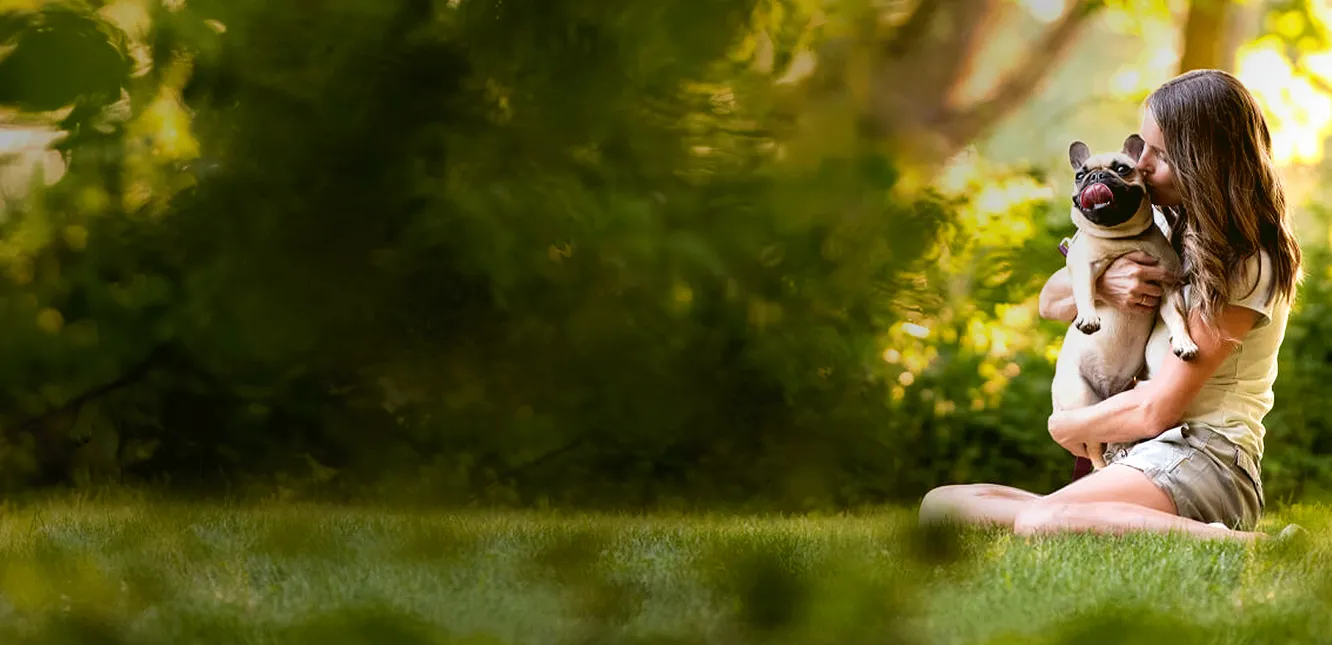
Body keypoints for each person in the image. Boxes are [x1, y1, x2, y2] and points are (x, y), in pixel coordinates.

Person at [917, 69, 1304, 542]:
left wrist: (1067, 424)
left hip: (1207, 458)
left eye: (1158, 156)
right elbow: (1050, 300)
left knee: (1040, 522)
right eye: (1143, 149)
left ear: (1201, 161)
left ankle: (1246, 545)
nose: (1140, 167)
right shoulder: (1166, 229)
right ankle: (1094, 516)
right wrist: (1108, 283)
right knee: (942, 507)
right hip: (1143, 454)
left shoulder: (1244, 261)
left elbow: (1159, 408)